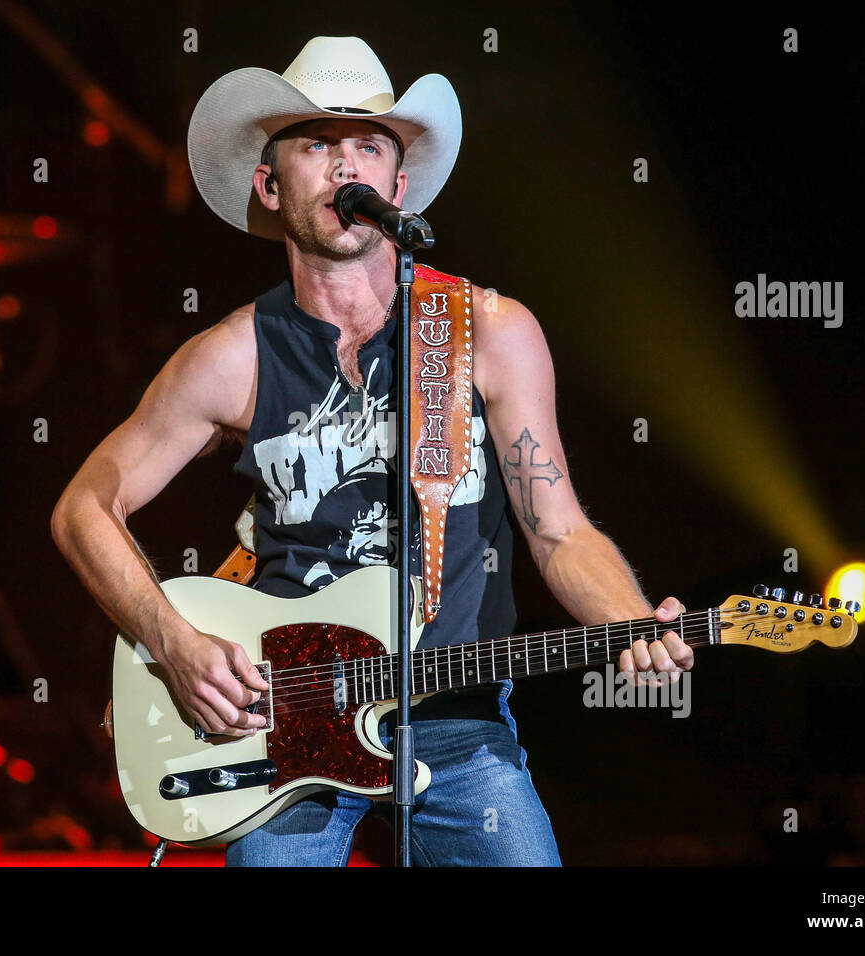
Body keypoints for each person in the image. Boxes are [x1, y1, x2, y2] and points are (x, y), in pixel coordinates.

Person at [51, 35, 694, 866]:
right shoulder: (232, 357)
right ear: (269, 184)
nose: (344, 165)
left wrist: (630, 624)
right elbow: (82, 506)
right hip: (280, 730)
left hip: (457, 724)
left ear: (397, 184)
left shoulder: (489, 333)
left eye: (367, 145)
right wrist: (171, 642)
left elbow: (560, 530)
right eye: (317, 144)